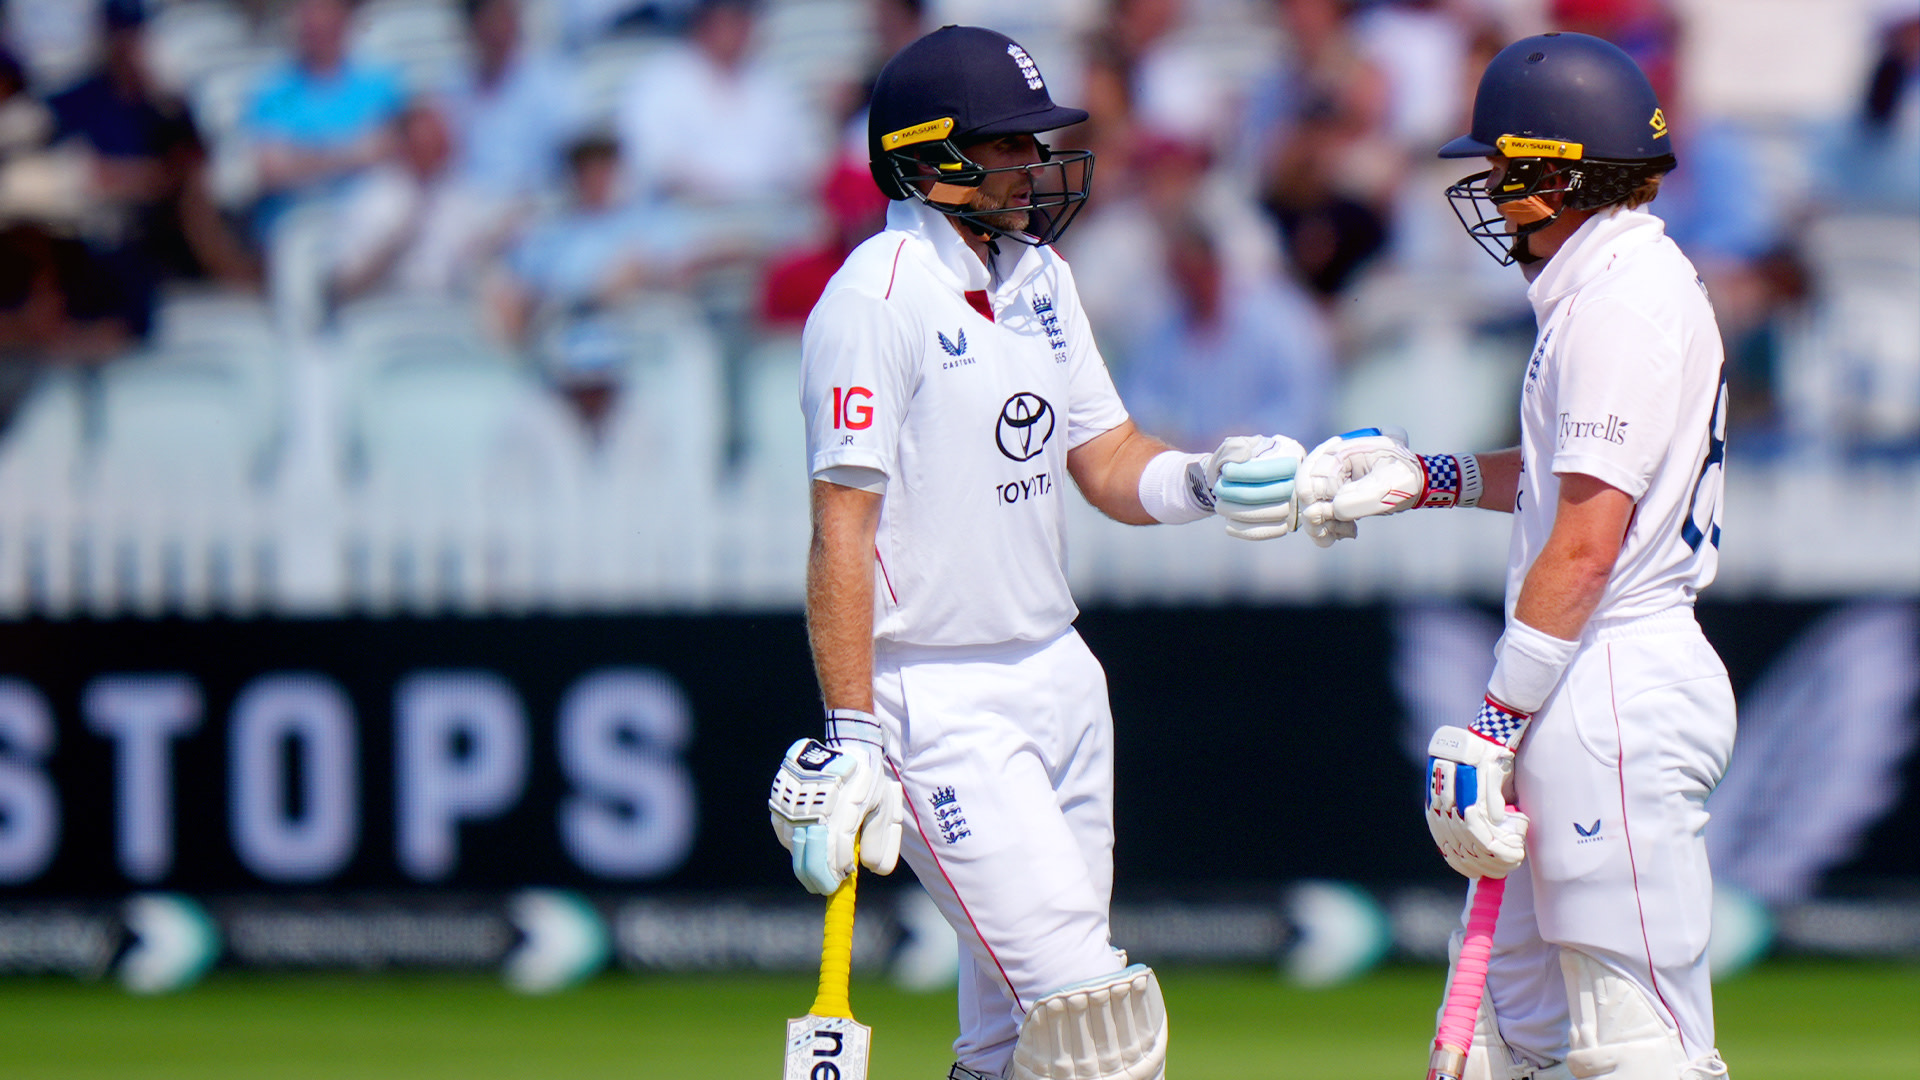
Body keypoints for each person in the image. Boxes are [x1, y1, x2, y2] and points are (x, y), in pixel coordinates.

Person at [763, 26, 1301, 1080]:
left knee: (1012, 1040)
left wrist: (1207, 479)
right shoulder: (874, 301)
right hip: (940, 700)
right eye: (1007, 146)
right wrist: (855, 734)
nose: (1034, 165)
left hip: (1059, 677)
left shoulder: (1040, 277)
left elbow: (1105, 460)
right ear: (928, 157)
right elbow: (841, 530)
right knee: (1096, 1020)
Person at [1270, 32, 1735, 1080]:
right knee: (1503, 1038)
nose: (1486, 191)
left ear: (1559, 174)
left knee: (1635, 1043)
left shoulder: (1620, 304)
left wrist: (1495, 720)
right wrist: (1425, 476)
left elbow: (1586, 540)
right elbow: (1559, 480)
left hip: (1613, 674)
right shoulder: (1602, 288)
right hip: (1581, 673)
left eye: (1502, 170)